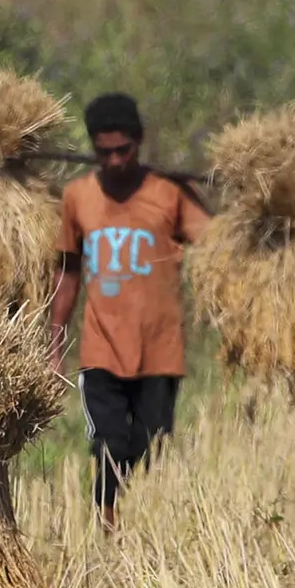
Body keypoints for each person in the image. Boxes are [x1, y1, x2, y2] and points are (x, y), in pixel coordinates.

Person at [47, 93, 212, 528]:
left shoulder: (170, 193)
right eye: (104, 152)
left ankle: (137, 515)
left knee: (152, 441)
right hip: (101, 347)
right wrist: (55, 341)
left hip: (160, 348)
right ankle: (105, 516)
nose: (116, 161)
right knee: (109, 442)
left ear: (139, 142)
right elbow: (67, 272)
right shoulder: (78, 197)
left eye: (124, 150)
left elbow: (217, 247)